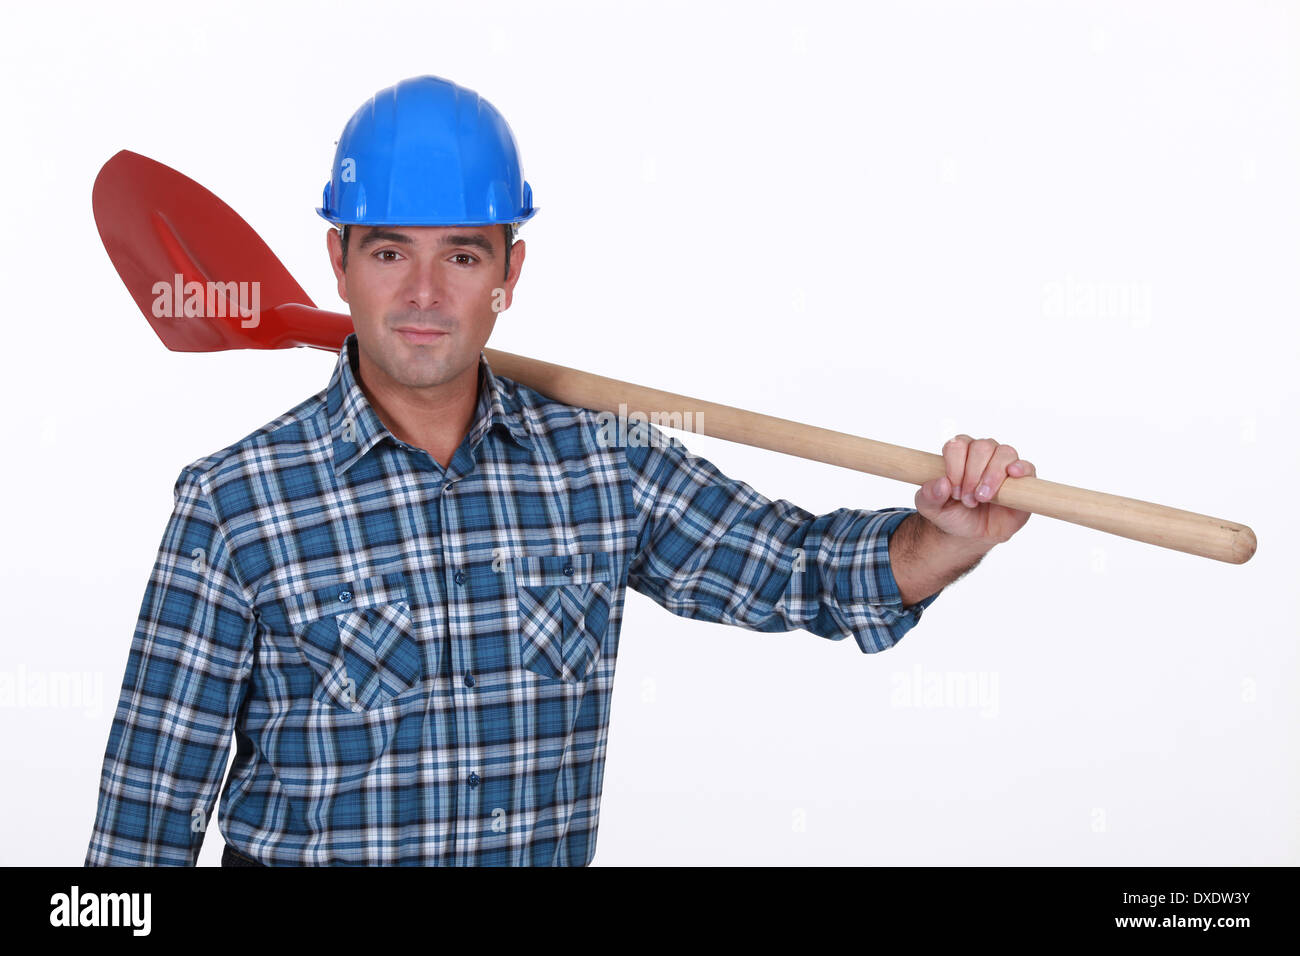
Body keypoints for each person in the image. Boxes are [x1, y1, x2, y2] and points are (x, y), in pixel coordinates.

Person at [84, 74, 1038, 867]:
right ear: (337, 262)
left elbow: (802, 572)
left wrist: (943, 540)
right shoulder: (236, 505)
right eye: (389, 251)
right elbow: (142, 825)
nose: (424, 293)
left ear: (511, 272)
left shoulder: (602, 464)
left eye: (462, 254)